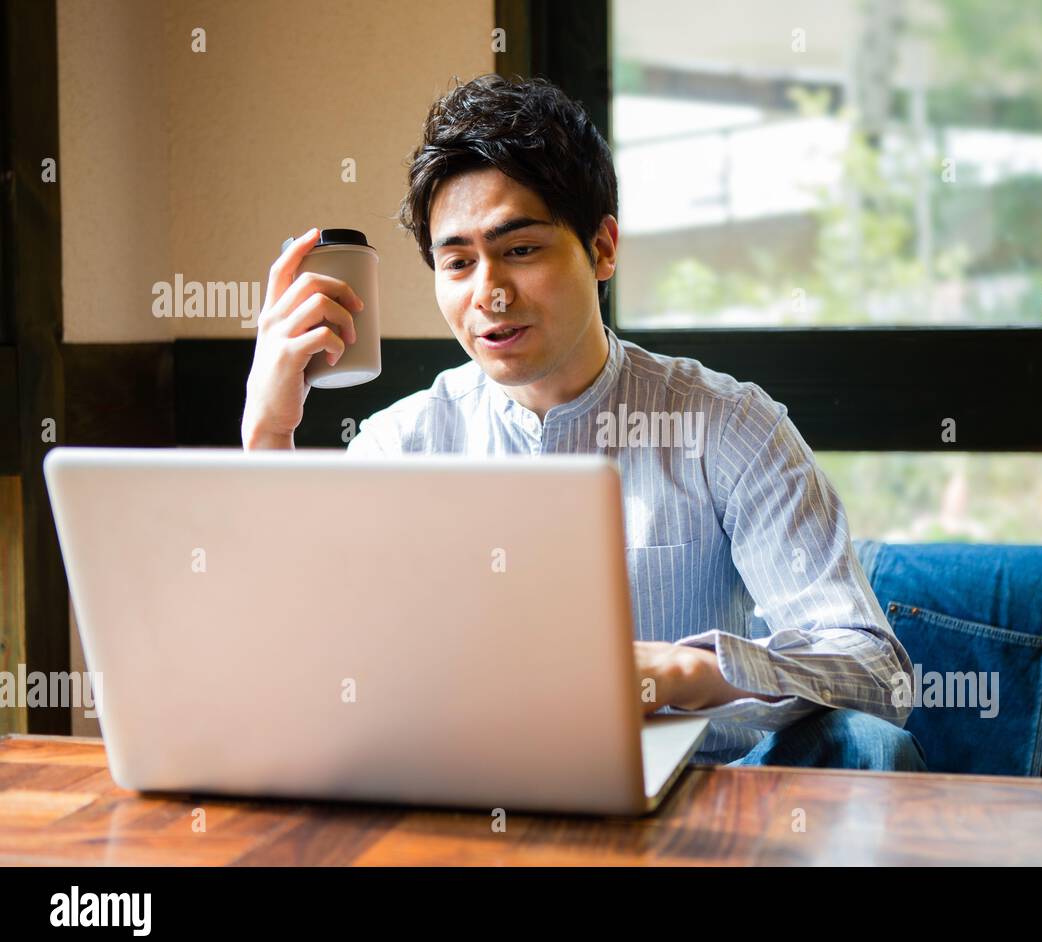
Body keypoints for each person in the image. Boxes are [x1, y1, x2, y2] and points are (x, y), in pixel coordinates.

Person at [241, 74, 926, 773]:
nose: (491, 294)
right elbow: (293, 671)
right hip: (475, 798)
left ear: (601, 248)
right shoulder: (401, 445)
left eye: (522, 249)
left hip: (704, 801)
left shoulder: (727, 425)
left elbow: (875, 672)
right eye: (457, 262)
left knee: (871, 746)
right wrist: (267, 433)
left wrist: (683, 673)